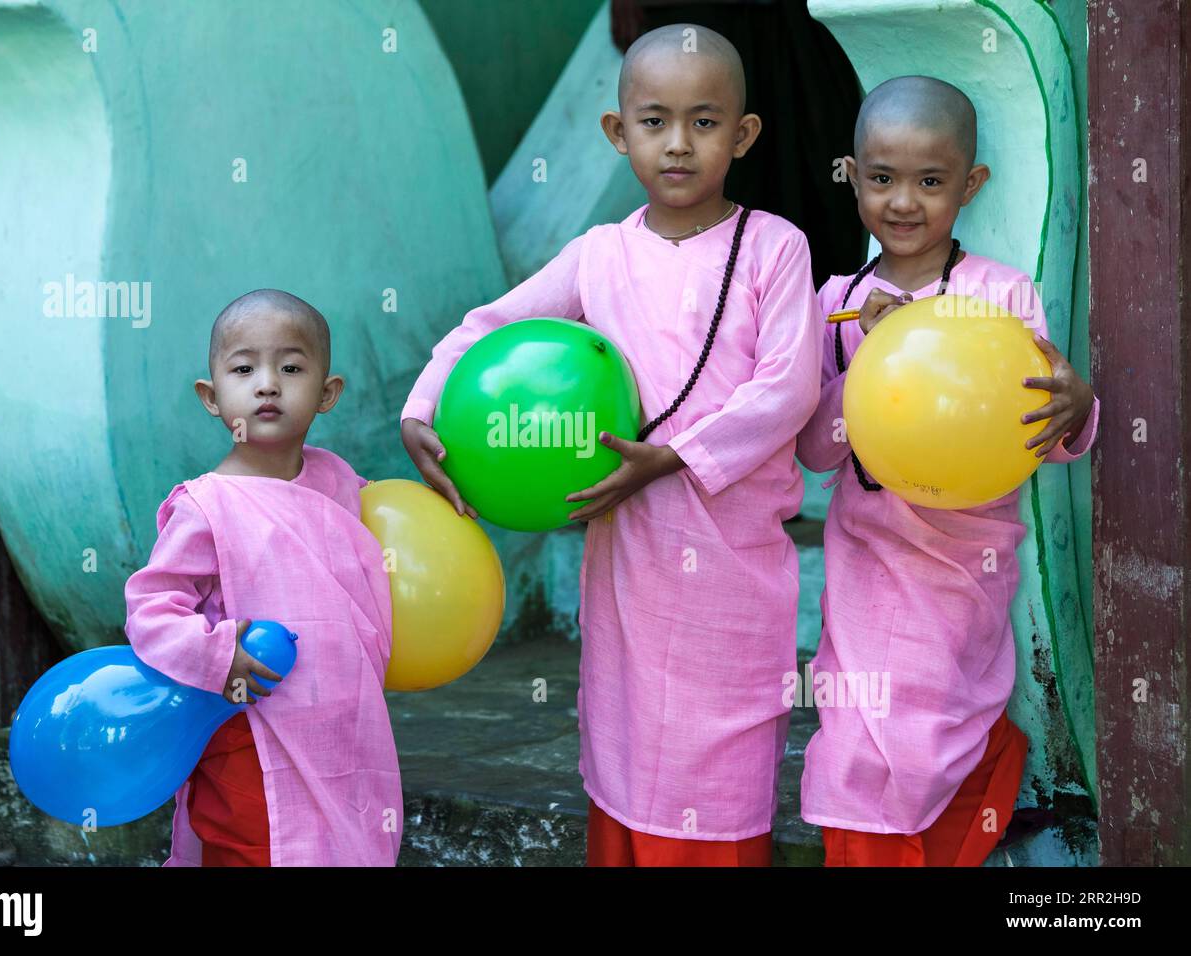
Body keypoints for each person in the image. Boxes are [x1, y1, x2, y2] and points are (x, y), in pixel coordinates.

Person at [401, 24, 821, 866]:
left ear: (742, 136)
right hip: (628, 560)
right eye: (655, 120)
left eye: (705, 123)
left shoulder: (775, 248)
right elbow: (493, 327)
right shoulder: (599, 255)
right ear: (616, 132)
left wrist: (673, 458)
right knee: (628, 753)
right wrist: (425, 407)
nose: (678, 143)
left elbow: (789, 387)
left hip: (732, 565)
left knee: (721, 771)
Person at [795, 76, 1100, 866]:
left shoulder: (998, 295)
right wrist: (863, 356)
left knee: (929, 727)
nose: (904, 202)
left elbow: (1044, 417)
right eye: (883, 177)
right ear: (852, 176)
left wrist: (1081, 408)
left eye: (931, 181)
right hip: (867, 559)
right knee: (858, 733)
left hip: (963, 560)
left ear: (970, 185)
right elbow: (818, 450)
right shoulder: (836, 303)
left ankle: (982, 772)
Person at [125, 289, 402, 866]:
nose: (268, 383)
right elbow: (151, 609)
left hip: (341, 729)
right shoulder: (206, 506)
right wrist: (216, 653)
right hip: (251, 733)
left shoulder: (338, 481)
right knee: (258, 849)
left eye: (291, 367)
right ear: (211, 396)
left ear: (328, 393)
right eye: (244, 367)